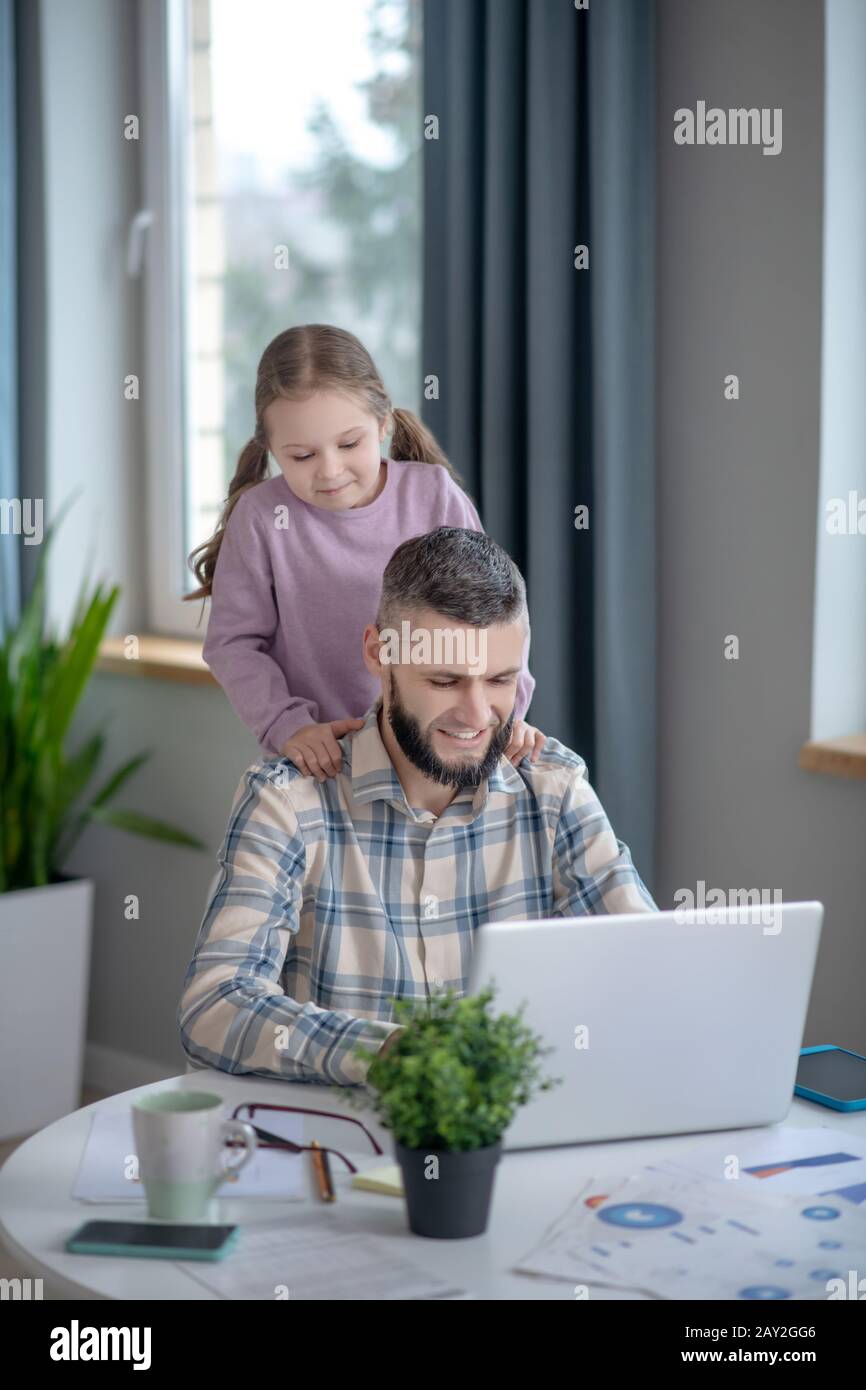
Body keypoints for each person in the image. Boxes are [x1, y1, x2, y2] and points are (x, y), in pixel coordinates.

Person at [178, 528, 658, 1087]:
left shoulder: (553, 791)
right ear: (380, 655)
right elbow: (215, 1006)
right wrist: (392, 1054)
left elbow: (646, 962)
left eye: (500, 679)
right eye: (445, 680)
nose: (477, 715)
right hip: (343, 1148)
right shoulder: (288, 801)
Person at [187, 322, 543, 778]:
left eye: (349, 444)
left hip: (436, 748)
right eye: (301, 456)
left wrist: (506, 712)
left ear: (383, 423)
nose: (330, 470)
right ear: (270, 448)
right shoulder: (260, 518)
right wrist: (287, 726)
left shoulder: (433, 495)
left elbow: (496, 614)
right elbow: (234, 644)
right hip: (322, 758)